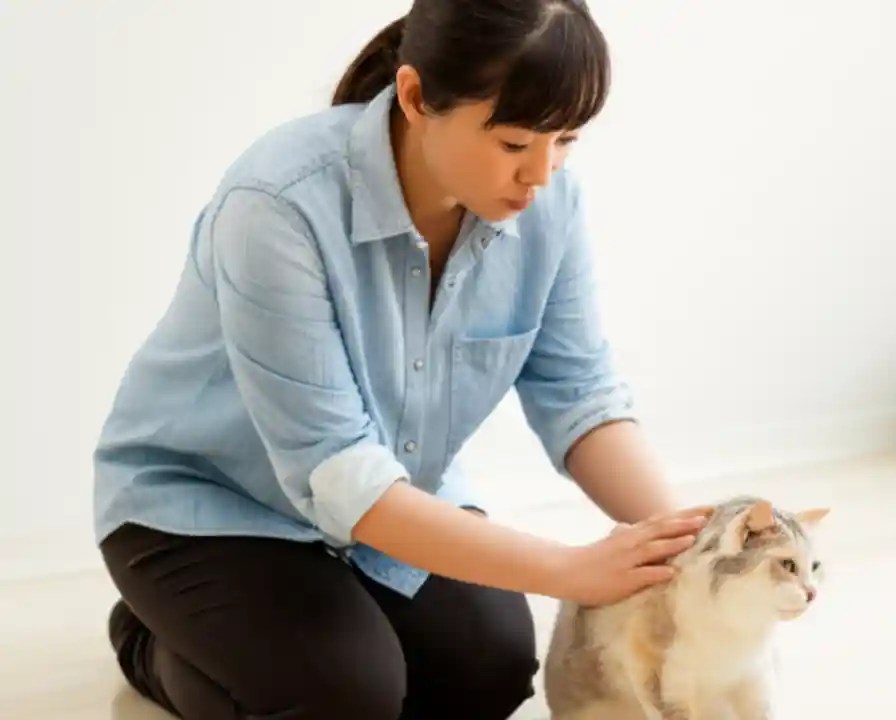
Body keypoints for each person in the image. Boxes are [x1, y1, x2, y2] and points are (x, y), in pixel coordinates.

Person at [92, 2, 708, 718]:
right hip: (210, 507)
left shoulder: (549, 203)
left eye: (565, 139)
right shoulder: (277, 205)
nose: (541, 174)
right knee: (347, 697)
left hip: (395, 494)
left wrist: (699, 546)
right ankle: (150, 637)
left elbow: (579, 394)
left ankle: (276, 638)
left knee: (490, 671)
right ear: (417, 98)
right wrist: (571, 570)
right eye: (513, 143)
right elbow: (342, 470)